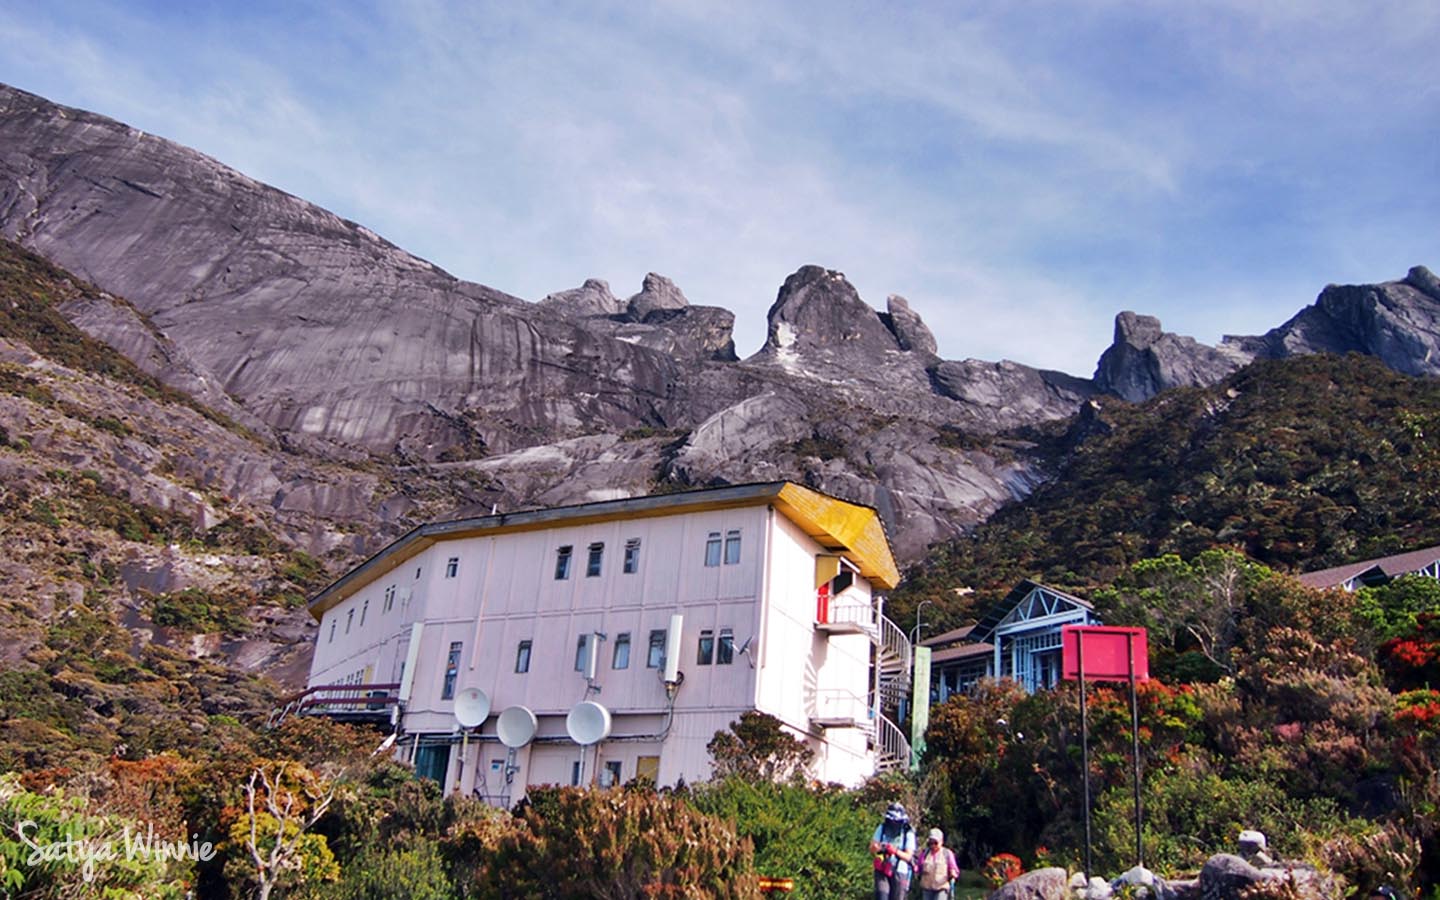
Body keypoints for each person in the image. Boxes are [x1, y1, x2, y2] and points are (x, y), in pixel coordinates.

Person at [869, 802, 916, 899]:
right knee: (882, 896)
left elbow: (908, 856)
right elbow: (872, 848)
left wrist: (895, 851)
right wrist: (881, 847)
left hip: (900, 871)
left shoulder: (908, 832)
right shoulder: (882, 828)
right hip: (883, 868)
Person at [915, 827, 961, 900]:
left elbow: (955, 870)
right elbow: (919, 868)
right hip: (927, 888)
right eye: (931, 843)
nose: (933, 845)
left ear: (941, 842)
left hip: (941, 888)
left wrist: (953, 873)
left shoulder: (947, 853)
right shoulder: (925, 854)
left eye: (935, 843)